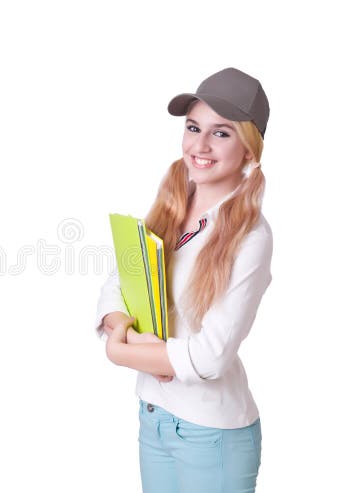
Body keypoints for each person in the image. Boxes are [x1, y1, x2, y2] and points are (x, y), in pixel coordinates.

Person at [97, 67, 272, 493]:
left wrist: (123, 353)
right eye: (194, 128)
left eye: (222, 133)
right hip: (154, 419)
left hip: (211, 436)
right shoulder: (170, 206)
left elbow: (209, 358)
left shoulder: (252, 236)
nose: (200, 145)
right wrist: (121, 328)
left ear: (249, 149)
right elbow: (115, 285)